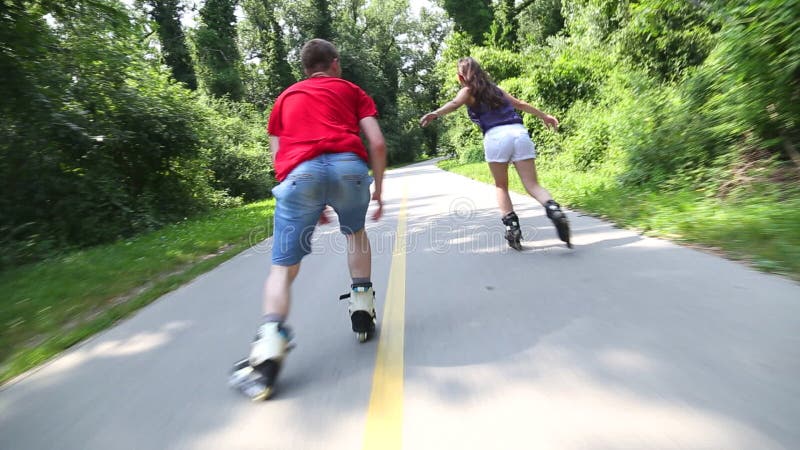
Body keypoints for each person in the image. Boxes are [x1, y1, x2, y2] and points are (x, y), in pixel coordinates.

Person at [232, 39, 387, 401]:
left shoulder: (285, 99)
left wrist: (304, 191)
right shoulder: (350, 89)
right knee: (355, 233)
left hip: (299, 175)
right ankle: (362, 307)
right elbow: (376, 143)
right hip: (349, 169)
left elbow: (277, 152)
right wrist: (378, 189)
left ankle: (270, 344)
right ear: (334, 63)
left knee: (283, 267)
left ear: (304, 67)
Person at [420, 57, 571, 250]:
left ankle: (512, 229)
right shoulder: (496, 90)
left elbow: (455, 103)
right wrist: (545, 116)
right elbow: (522, 105)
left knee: (501, 186)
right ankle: (553, 209)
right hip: (519, 132)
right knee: (532, 185)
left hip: (495, 136)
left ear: (460, 77)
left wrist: (435, 113)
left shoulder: (468, 91)